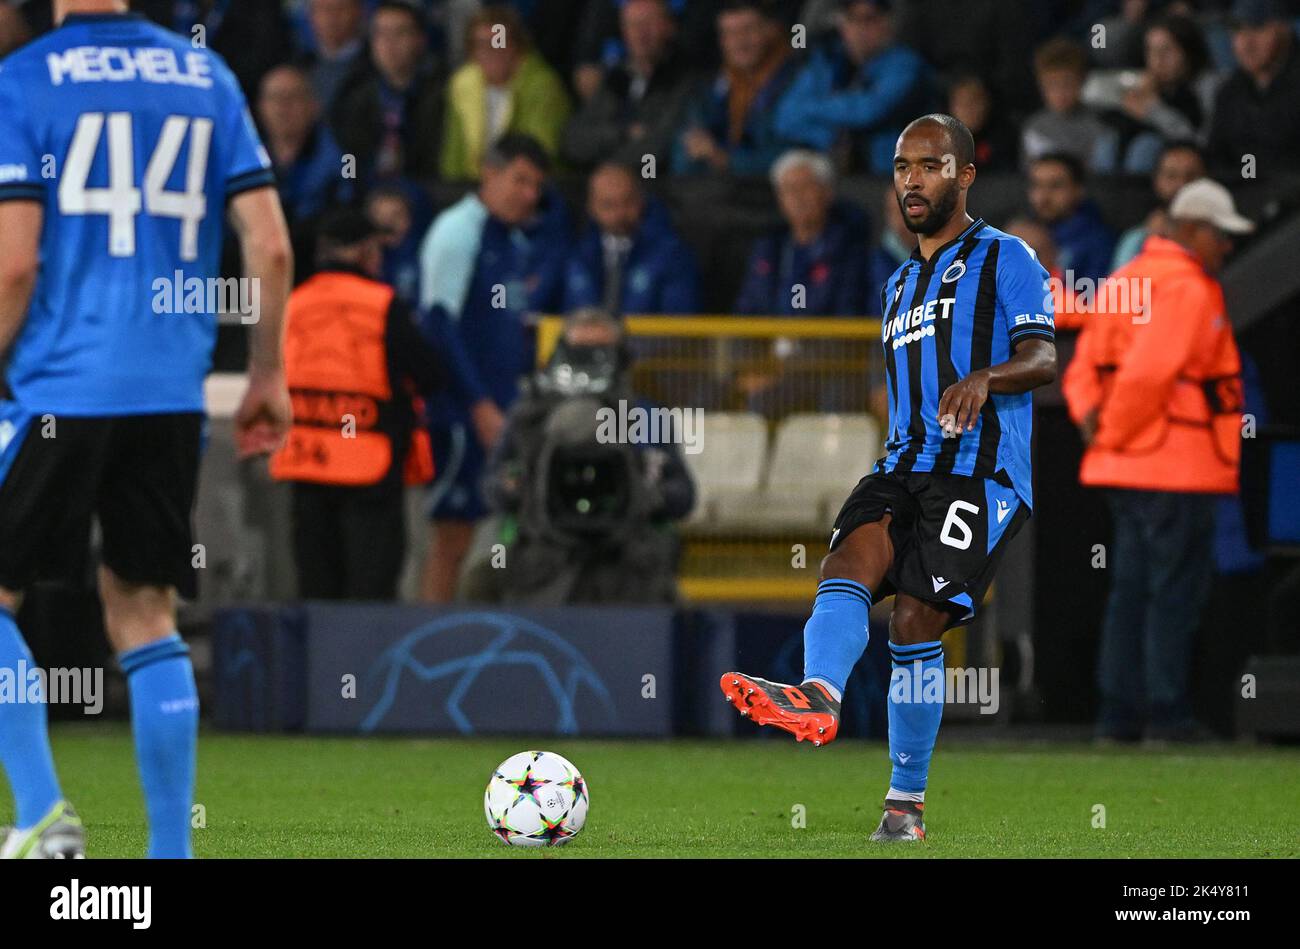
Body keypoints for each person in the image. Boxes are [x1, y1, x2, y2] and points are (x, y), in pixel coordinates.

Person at [0, 0, 292, 858]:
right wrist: (268, 371)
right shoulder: (206, 75)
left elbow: (15, 262)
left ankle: (46, 812)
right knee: (144, 612)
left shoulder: (23, 80)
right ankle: (170, 855)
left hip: (61, 382)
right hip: (168, 392)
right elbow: (269, 246)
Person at [722, 114, 1057, 843]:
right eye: (903, 166)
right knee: (846, 559)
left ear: (964, 176)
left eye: (930, 165)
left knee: (913, 618)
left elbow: (1043, 357)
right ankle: (819, 693)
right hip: (903, 462)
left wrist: (984, 377)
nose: (912, 179)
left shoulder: (1007, 257)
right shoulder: (898, 284)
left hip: (981, 472)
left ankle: (905, 806)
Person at [1063, 178, 1252, 743]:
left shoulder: (1127, 280)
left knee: (1130, 592)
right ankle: (1167, 716)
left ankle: (1119, 717)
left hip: (1127, 468)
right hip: (1174, 466)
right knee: (1172, 596)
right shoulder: (1188, 288)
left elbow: (1080, 373)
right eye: (1222, 236)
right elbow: (1150, 374)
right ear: (1194, 231)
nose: (1229, 248)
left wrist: (1102, 433)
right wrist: (1119, 435)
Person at [270, 208, 445, 600]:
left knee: (317, 590)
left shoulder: (293, 303)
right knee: (369, 595)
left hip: (307, 466)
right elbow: (430, 373)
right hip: (370, 471)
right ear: (366, 252)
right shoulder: (381, 305)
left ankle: (321, 664)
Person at [472, 308, 696, 605]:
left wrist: (646, 494)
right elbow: (492, 485)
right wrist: (524, 490)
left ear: (621, 356)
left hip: (625, 550)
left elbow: (685, 496)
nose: (589, 363)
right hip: (542, 548)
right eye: (579, 352)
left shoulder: (645, 416)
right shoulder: (529, 415)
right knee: (480, 573)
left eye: (600, 352)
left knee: (676, 602)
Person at [416, 134, 551, 602]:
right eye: (520, 181)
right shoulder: (457, 232)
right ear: (488, 174)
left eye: (536, 186)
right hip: (461, 414)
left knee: (503, 535)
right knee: (451, 538)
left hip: (502, 410)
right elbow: (438, 326)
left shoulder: (512, 241)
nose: (529, 195)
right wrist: (478, 405)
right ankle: (430, 641)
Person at [773, 0, 930, 175]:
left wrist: (814, 110)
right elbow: (785, 117)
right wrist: (831, 139)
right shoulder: (825, 60)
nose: (860, 29)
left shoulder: (906, 64)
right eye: (851, 19)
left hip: (891, 176)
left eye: (869, 19)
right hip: (831, 172)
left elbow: (869, 111)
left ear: (888, 23)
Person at [439, 4, 572, 181]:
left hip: (526, 185)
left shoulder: (542, 87)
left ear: (518, 47)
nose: (491, 53)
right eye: (481, 45)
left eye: (498, 44)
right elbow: (453, 155)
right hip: (472, 186)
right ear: (471, 51)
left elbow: (539, 152)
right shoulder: (462, 85)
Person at [561, 0, 697, 172]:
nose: (641, 34)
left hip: (657, 186)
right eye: (633, 25)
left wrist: (612, 169)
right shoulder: (617, 78)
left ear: (669, 27)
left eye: (649, 24)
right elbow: (573, 141)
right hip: (606, 187)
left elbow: (658, 149)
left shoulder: (685, 81)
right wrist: (623, 133)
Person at [671, 0, 800, 176]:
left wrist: (726, 160)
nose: (740, 42)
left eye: (748, 30)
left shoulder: (795, 79)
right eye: (730, 33)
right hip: (717, 194)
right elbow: (685, 154)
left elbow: (794, 156)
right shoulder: (711, 87)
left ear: (769, 31)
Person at [735, 149, 870, 316]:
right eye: (789, 189)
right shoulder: (767, 249)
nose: (797, 198)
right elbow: (747, 308)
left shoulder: (848, 250)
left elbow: (848, 310)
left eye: (806, 187)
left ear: (827, 193)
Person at [563, 163, 700, 317]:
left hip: (650, 340)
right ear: (591, 208)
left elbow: (679, 323)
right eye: (608, 205)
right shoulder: (575, 255)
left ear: (641, 200)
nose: (620, 213)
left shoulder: (673, 254)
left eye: (628, 202)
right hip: (587, 340)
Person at [331, 0, 444, 183]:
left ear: (420, 40)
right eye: (380, 34)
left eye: (400, 33)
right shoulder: (353, 97)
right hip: (367, 197)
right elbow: (348, 160)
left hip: (425, 195)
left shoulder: (442, 96)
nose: (389, 43)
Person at [1204, 0, 1300, 181]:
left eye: (1257, 28)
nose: (1246, 43)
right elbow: (1217, 157)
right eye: (1238, 30)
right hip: (1243, 195)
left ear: (1284, 29)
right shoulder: (1230, 92)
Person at [1021, 37, 1118, 173]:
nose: (1060, 93)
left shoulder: (1099, 124)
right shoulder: (1034, 127)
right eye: (1051, 85)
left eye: (1067, 85)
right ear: (1040, 86)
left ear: (1082, 82)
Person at [1111, 141, 1206, 270]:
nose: (1181, 184)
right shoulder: (1139, 239)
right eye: (1171, 176)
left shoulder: (1217, 237)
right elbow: (1121, 286)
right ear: (1157, 181)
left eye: (1191, 176)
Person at [1027, 152, 1116, 284]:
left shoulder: (1097, 242)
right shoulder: (1023, 230)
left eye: (1055, 186)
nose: (1043, 197)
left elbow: (1092, 298)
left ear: (1079, 190)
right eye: (1037, 185)